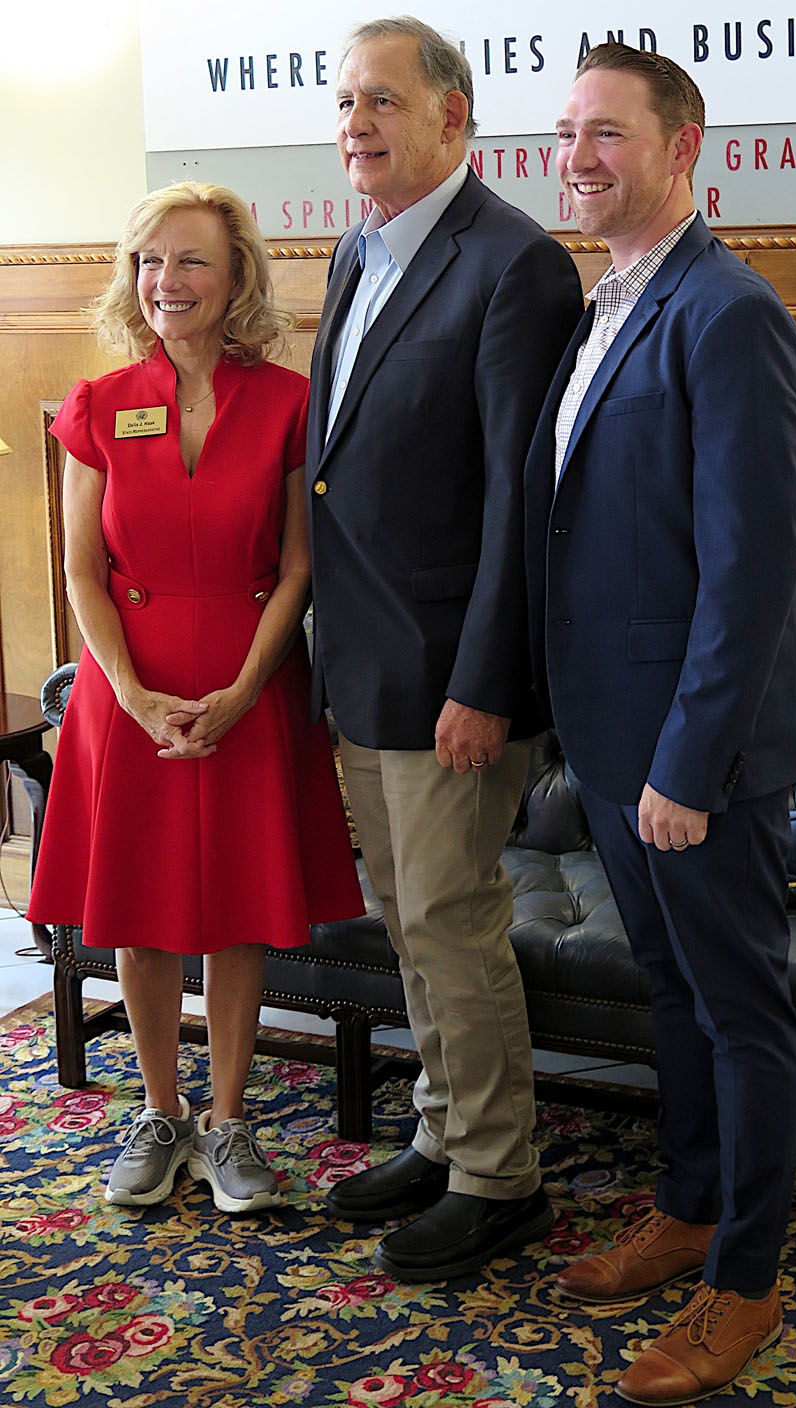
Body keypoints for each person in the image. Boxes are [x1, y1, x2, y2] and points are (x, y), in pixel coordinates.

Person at [524, 42, 796, 1404]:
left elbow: (753, 571)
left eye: (607, 132)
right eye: (566, 130)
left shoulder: (726, 310)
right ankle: (690, 1206)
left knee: (740, 1014)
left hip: (692, 759)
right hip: (611, 737)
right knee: (673, 998)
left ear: (682, 145)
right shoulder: (605, 303)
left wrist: (686, 763)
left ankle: (743, 1285)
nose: (576, 156)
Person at [305, 16, 584, 1281]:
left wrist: (484, 679)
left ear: (453, 118)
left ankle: (497, 1176)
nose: (354, 122)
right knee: (403, 918)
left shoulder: (513, 265)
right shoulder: (355, 249)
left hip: (449, 678)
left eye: (379, 101)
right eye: (343, 102)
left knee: (453, 918)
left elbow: (524, 500)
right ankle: (442, 1128)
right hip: (358, 661)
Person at [27, 181, 362, 1216]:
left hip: (248, 679)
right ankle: (160, 1112)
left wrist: (242, 688)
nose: (165, 282)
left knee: (236, 918)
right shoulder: (95, 402)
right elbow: (83, 571)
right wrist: (128, 693)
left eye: (190, 262)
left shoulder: (290, 402)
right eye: (148, 262)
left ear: (236, 279)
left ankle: (228, 1122)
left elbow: (301, 569)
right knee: (140, 905)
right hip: (128, 692)